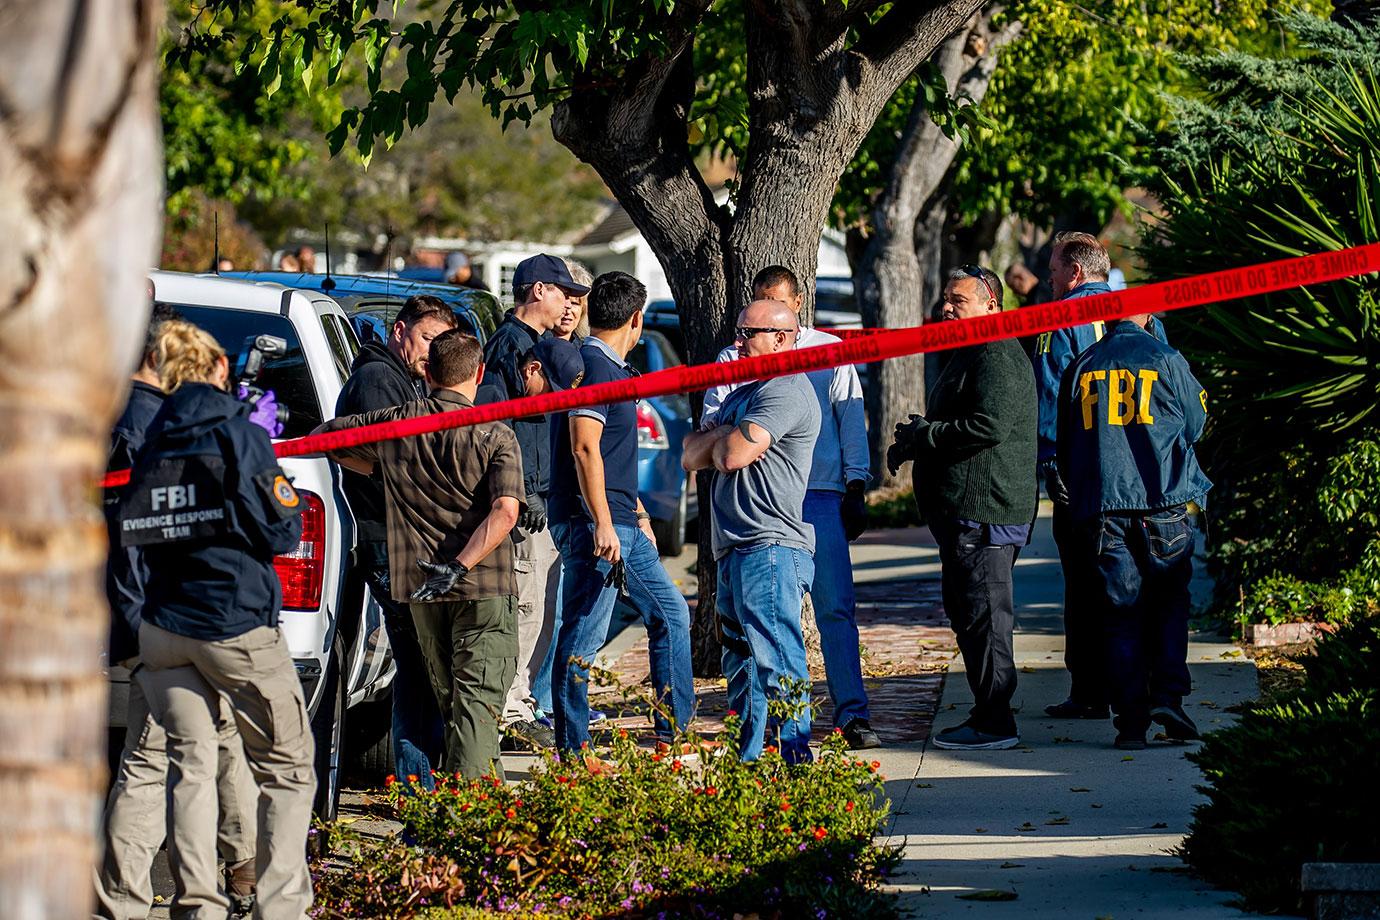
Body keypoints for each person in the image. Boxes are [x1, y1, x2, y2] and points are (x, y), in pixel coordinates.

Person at [122, 320, 313, 920]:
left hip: (163, 629)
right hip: (232, 623)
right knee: (287, 768)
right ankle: (278, 909)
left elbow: (135, 528)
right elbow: (282, 526)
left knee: (190, 769)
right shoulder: (237, 430)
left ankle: (197, 905)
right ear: (220, 370)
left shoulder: (151, 433)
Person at [97, 306, 260, 920]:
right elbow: (143, 538)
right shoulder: (150, 428)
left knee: (207, 746)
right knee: (161, 757)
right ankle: (135, 898)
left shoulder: (126, 418)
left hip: (164, 618)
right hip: (173, 619)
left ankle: (236, 869)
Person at [322, 330, 525, 777]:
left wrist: (378, 467)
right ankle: (468, 821)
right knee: (476, 707)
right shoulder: (494, 433)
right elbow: (506, 512)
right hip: (482, 589)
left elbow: (326, 438)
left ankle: (465, 814)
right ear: (480, 373)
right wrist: (459, 565)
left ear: (428, 372)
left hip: (421, 590)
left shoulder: (398, 424)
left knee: (452, 702)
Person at [702, 266, 878, 750]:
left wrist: (857, 483)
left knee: (834, 610)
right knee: (747, 637)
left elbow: (850, 416)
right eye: (757, 300)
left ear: (794, 310)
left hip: (818, 493)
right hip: (757, 502)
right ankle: (753, 745)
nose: (746, 335)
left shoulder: (828, 352)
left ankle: (851, 716)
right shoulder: (732, 360)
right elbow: (708, 430)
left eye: (774, 301)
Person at [887, 266, 1036, 751]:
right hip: (964, 514)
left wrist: (924, 436)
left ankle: (996, 723)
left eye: (958, 300)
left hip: (985, 513)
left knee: (986, 616)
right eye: (944, 299)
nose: (946, 307)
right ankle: (985, 710)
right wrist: (917, 439)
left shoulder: (996, 352)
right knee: (969, 613)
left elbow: (987, 425)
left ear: (992, 305)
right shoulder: (973, 348)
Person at [548, 271, 694, 754]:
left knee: (671, 614)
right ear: (637, 319)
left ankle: (673, 735)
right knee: (583, 640)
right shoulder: (596, 369)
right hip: (598, 527)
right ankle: (574, 751)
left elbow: (611, 458)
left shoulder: (606, 368)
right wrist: (605, 524)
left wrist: (641, 515)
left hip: (623, 521)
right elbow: (584, 448)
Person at [1057, 313, 1212, 750]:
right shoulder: (1164, 357)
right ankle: (1167, 696)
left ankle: (1130, 720)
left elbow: (1066, 444)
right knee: (1168, 603)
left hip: (1105, 507)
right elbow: (1197, 423)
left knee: (1119, 613)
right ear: (1146, 317)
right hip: (1162, 503)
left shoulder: (1084, 364)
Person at [1035, 231, 1167, 720]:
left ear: (1073, 273)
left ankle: (1091, 689)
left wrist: (1051, 462)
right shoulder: (1141, 313)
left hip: (1084, 472)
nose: (1050, 279)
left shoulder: (1059, 318)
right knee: (1143, 578)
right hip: (1142, 474)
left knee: (1085, 583)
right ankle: (1143, 684)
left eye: (1053, 271)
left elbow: (1051, 395)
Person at [683, 300, 821, 763]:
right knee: (739, 663)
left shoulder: (785, 390)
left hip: (771, 544)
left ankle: (795, 763)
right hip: (734, 545)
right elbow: (690, 454)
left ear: (782, 338)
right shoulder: (746, 393)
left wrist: (723, 439)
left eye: (749, 333)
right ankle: (747, 762)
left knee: (776, 660)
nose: (738, 342)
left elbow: (727, 458)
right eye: (738, 331)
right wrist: (727, 435)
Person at [334, 294, 457, 788]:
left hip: (397, 537)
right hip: (387, 539)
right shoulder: (378, 381)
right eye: (427, 338)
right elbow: (398, 462)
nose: (431, 351)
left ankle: (421, 780)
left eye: (441, 343)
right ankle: (417, 784)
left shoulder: (400, 377)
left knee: (421, 665)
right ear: (400, 331)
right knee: (420, 666)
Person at [481, 253, 589, 748]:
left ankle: (519, 700)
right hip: (524, 502)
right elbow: (493, 427)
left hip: (541, 495)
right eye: (562, 291)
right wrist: (518, 490)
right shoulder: (511, 344)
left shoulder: (536, 344)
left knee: (540, 606)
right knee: (526, 605)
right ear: (537, 290)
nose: (568, 301)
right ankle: (510, 708)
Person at [556, 259, 593, 342]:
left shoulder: (585, 351)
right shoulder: (531, 346)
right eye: (562, 301)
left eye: (575, 303)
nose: (568, 310)